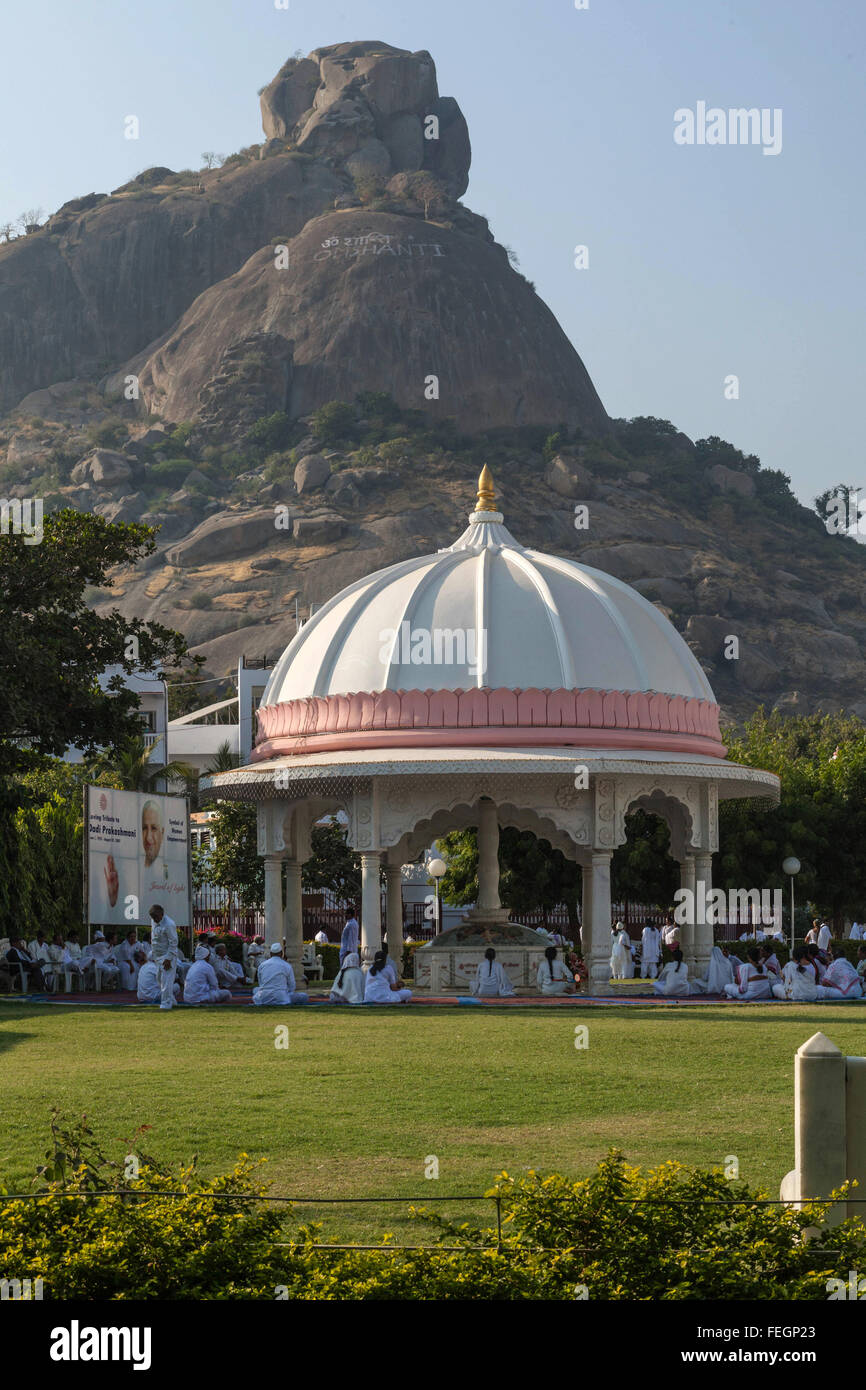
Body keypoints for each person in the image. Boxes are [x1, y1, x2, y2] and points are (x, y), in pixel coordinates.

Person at [149, 905, 178, 1011]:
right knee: (159, 979)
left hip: (167, 956)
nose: (154, 920)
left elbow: (173, 942)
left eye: (156, 917)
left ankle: (166, 1004)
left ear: (162, 914)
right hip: (157, 956)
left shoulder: (169, 924)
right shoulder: (153, 921)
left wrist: (168, 958)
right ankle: (171, 1000)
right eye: (152, 917)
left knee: (166, 980)